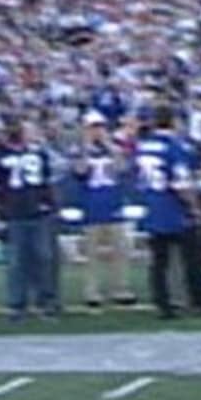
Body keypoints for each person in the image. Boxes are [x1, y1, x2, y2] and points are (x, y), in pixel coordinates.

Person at [135, 105, 201, 319]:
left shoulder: (144, 146)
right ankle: (198, 301)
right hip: (175, 209)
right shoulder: (174, 146)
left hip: (153, 206)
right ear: (174, 121)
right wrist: (194, 207)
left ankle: (163, 303)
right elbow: (181, 183)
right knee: (192, 258)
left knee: (159, 262)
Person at [0, 117, 61, 322]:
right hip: (14, 213)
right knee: (16, 262)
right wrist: (0, 216)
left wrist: (52, 206)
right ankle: (17, 305)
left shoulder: (39, 154)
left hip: (39, 212)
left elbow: (47, 182)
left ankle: (46, 302)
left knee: (44, 259)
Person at [73, 111, 136, 308]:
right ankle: (92, 291)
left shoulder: (114, 148)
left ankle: (120, 288)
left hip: (113, 203)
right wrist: (86, 148)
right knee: (92, 252)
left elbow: (122, 168)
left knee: (120, 250)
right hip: (92, 204)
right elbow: (79, 171)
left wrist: (110, 147)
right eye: (93, 128)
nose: (97, 131)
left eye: (100, 127)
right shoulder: (79, 149)